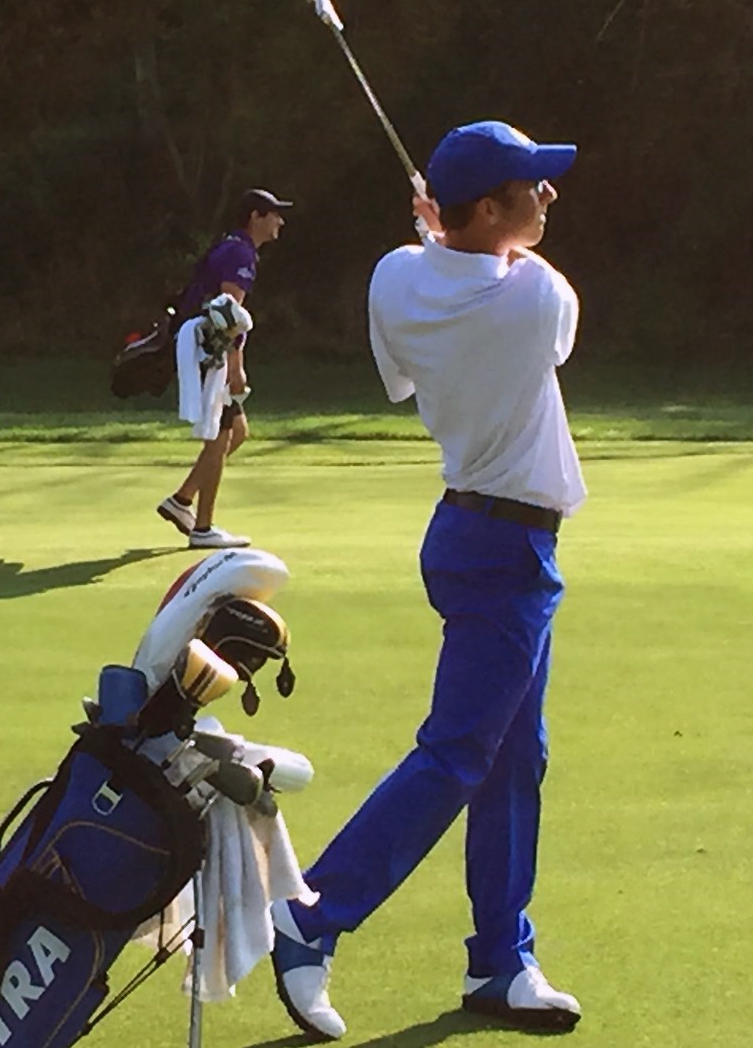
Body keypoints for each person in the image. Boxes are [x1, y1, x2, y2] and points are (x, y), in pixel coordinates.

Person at [269, 121, 585, 1039]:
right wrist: (443, 239)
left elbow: (404, 371)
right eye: (531, 187)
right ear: (490, 210)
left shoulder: (393, 278)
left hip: (470, 534)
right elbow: (516, 290)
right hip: (504, 553)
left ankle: (501, 960)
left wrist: (435, 242)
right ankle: (310, 915)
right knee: (457, 754)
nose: (548, 197)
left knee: (514, 756)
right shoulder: (539, 300)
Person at [156, 188, 292, 550]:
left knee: (238, 431)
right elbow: (227, 315)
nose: (279, 220)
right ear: (254, 217)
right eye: (273, 213)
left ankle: (182, 500)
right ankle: (203, 529)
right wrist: (236, 366)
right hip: (208, 350)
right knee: (221, 435)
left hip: (202, 346)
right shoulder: (240, 253)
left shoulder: (234, 247)